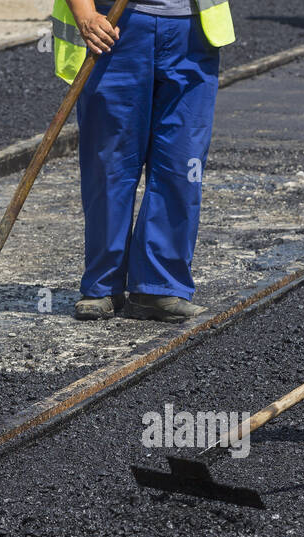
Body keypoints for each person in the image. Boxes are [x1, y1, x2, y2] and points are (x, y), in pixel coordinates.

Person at [51, 0, 234, 322]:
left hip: (190, 33)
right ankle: (103, 286)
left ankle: (158, 287)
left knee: (181, 165)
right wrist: (85, 14)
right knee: (110, 165)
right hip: (114, 28)